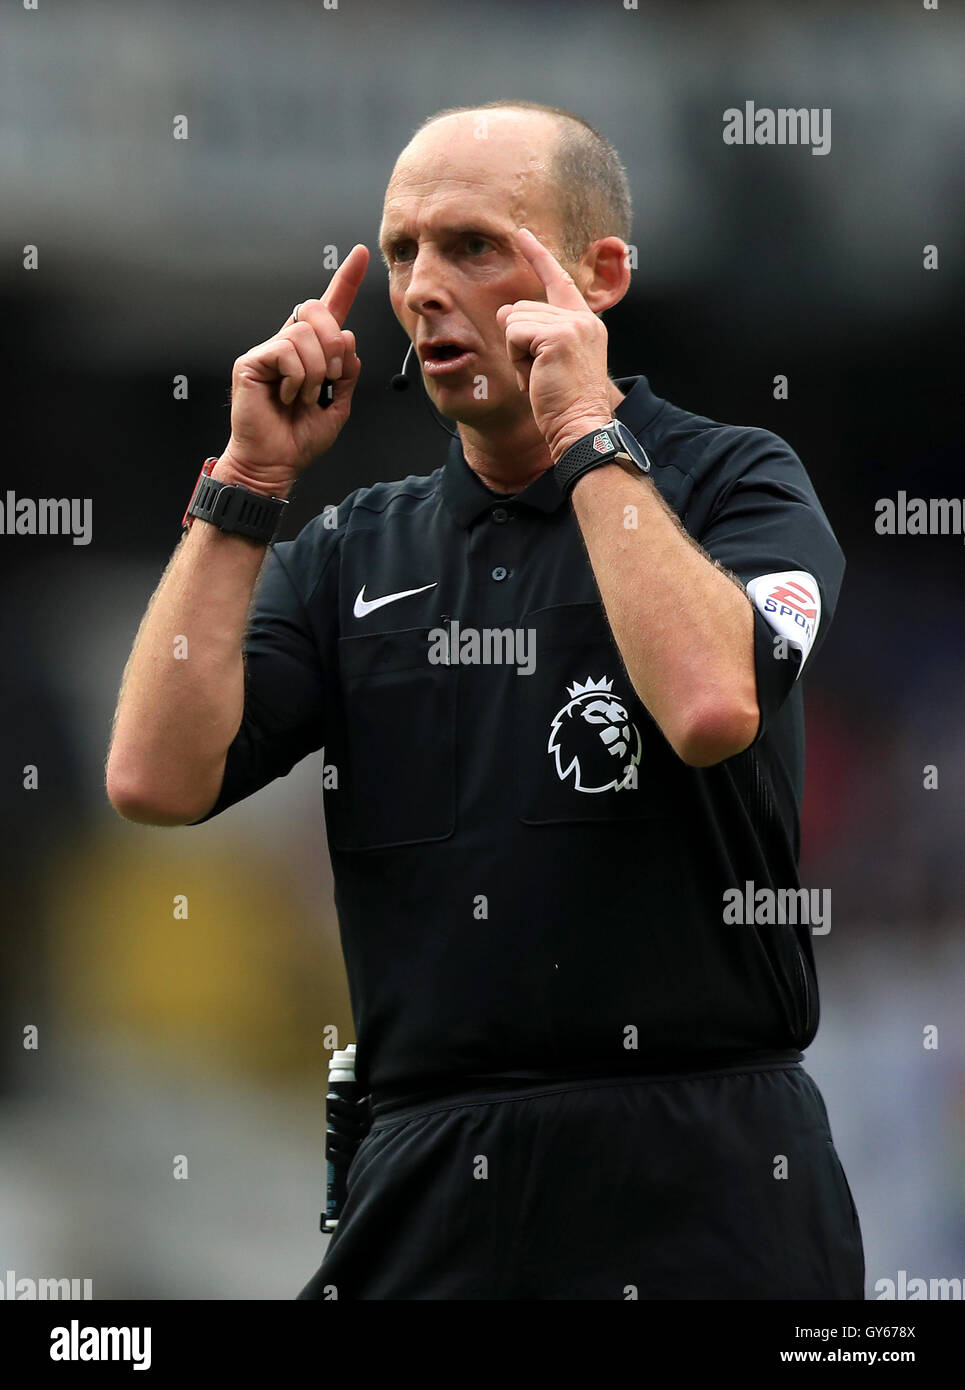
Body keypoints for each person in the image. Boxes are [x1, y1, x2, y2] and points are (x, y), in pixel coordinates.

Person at [106, 101, 865, 1300]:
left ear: (599, 273)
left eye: (471, 245)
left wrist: (580, 428)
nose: (420, 286)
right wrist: (248, 482)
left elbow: (713, 704)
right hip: (424, 1165)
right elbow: (154, 779)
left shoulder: (735, 480)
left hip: (702, 1165)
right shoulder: (352, 548)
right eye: (402, 250)